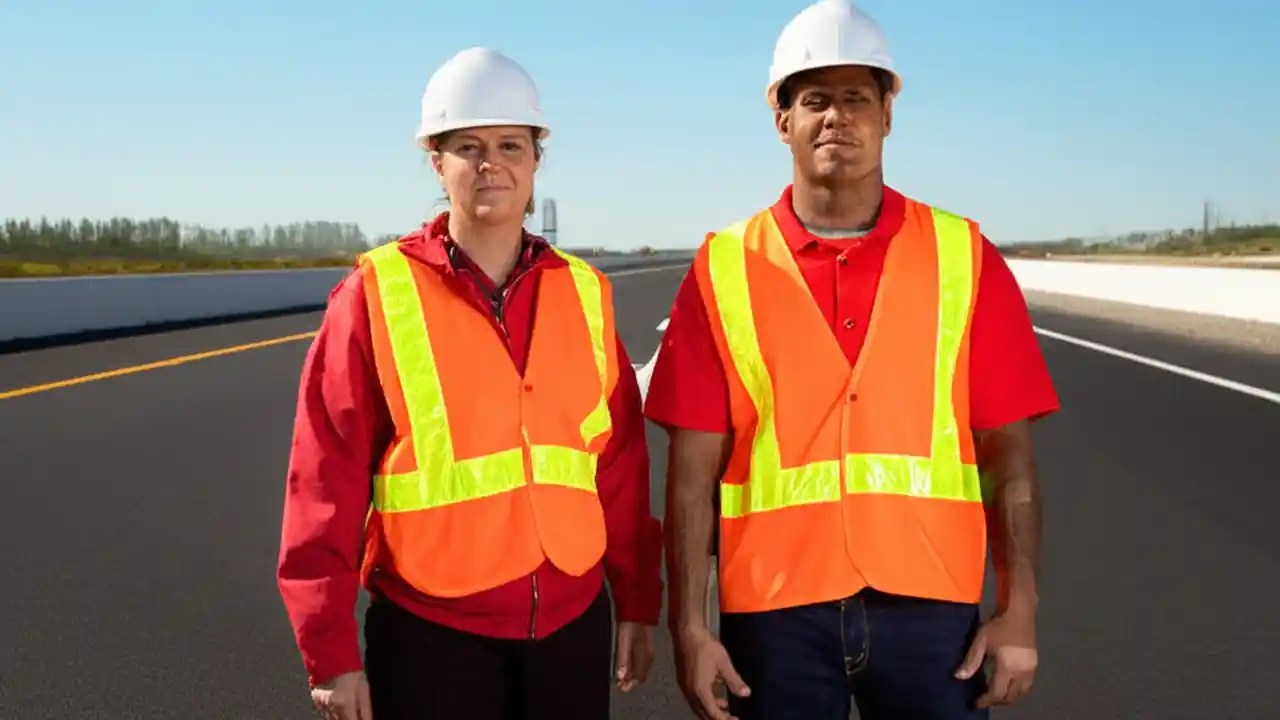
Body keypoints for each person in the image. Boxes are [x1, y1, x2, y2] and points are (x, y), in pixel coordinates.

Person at [646, 1, 1061, 718]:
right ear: (782, 121)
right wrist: (689, 623)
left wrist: (1018, 609)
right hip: (774, 613)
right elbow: (691, 474)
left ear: (887, 115)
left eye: (856, 98)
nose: (836, 116)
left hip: (933, 612)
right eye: (814, 100)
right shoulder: (723, 268)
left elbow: (1010, 457)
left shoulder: (964, 258)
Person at [276, 46, 662, 720]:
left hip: (571, 624)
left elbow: (618, 466)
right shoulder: (376, 295)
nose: (492, 163)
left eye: (511, 143)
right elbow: (323, 480)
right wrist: (330, 651)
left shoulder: (585, 292)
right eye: (468, 146)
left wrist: (637, 602)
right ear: (437, 162)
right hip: (433, 636)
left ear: (537, 158)